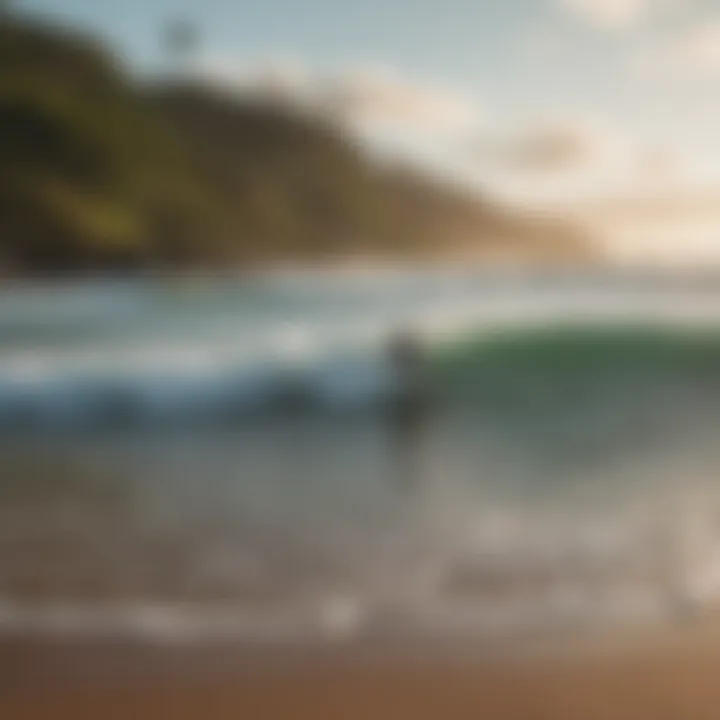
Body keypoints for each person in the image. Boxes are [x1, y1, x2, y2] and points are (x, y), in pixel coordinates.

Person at [386, 329, 430, 489]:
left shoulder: (403, 356)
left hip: (406, 398)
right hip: (407, 398)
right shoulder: (405, 356)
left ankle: (408, 467)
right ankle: (408, 467)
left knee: (409, 435)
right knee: (410, 435)